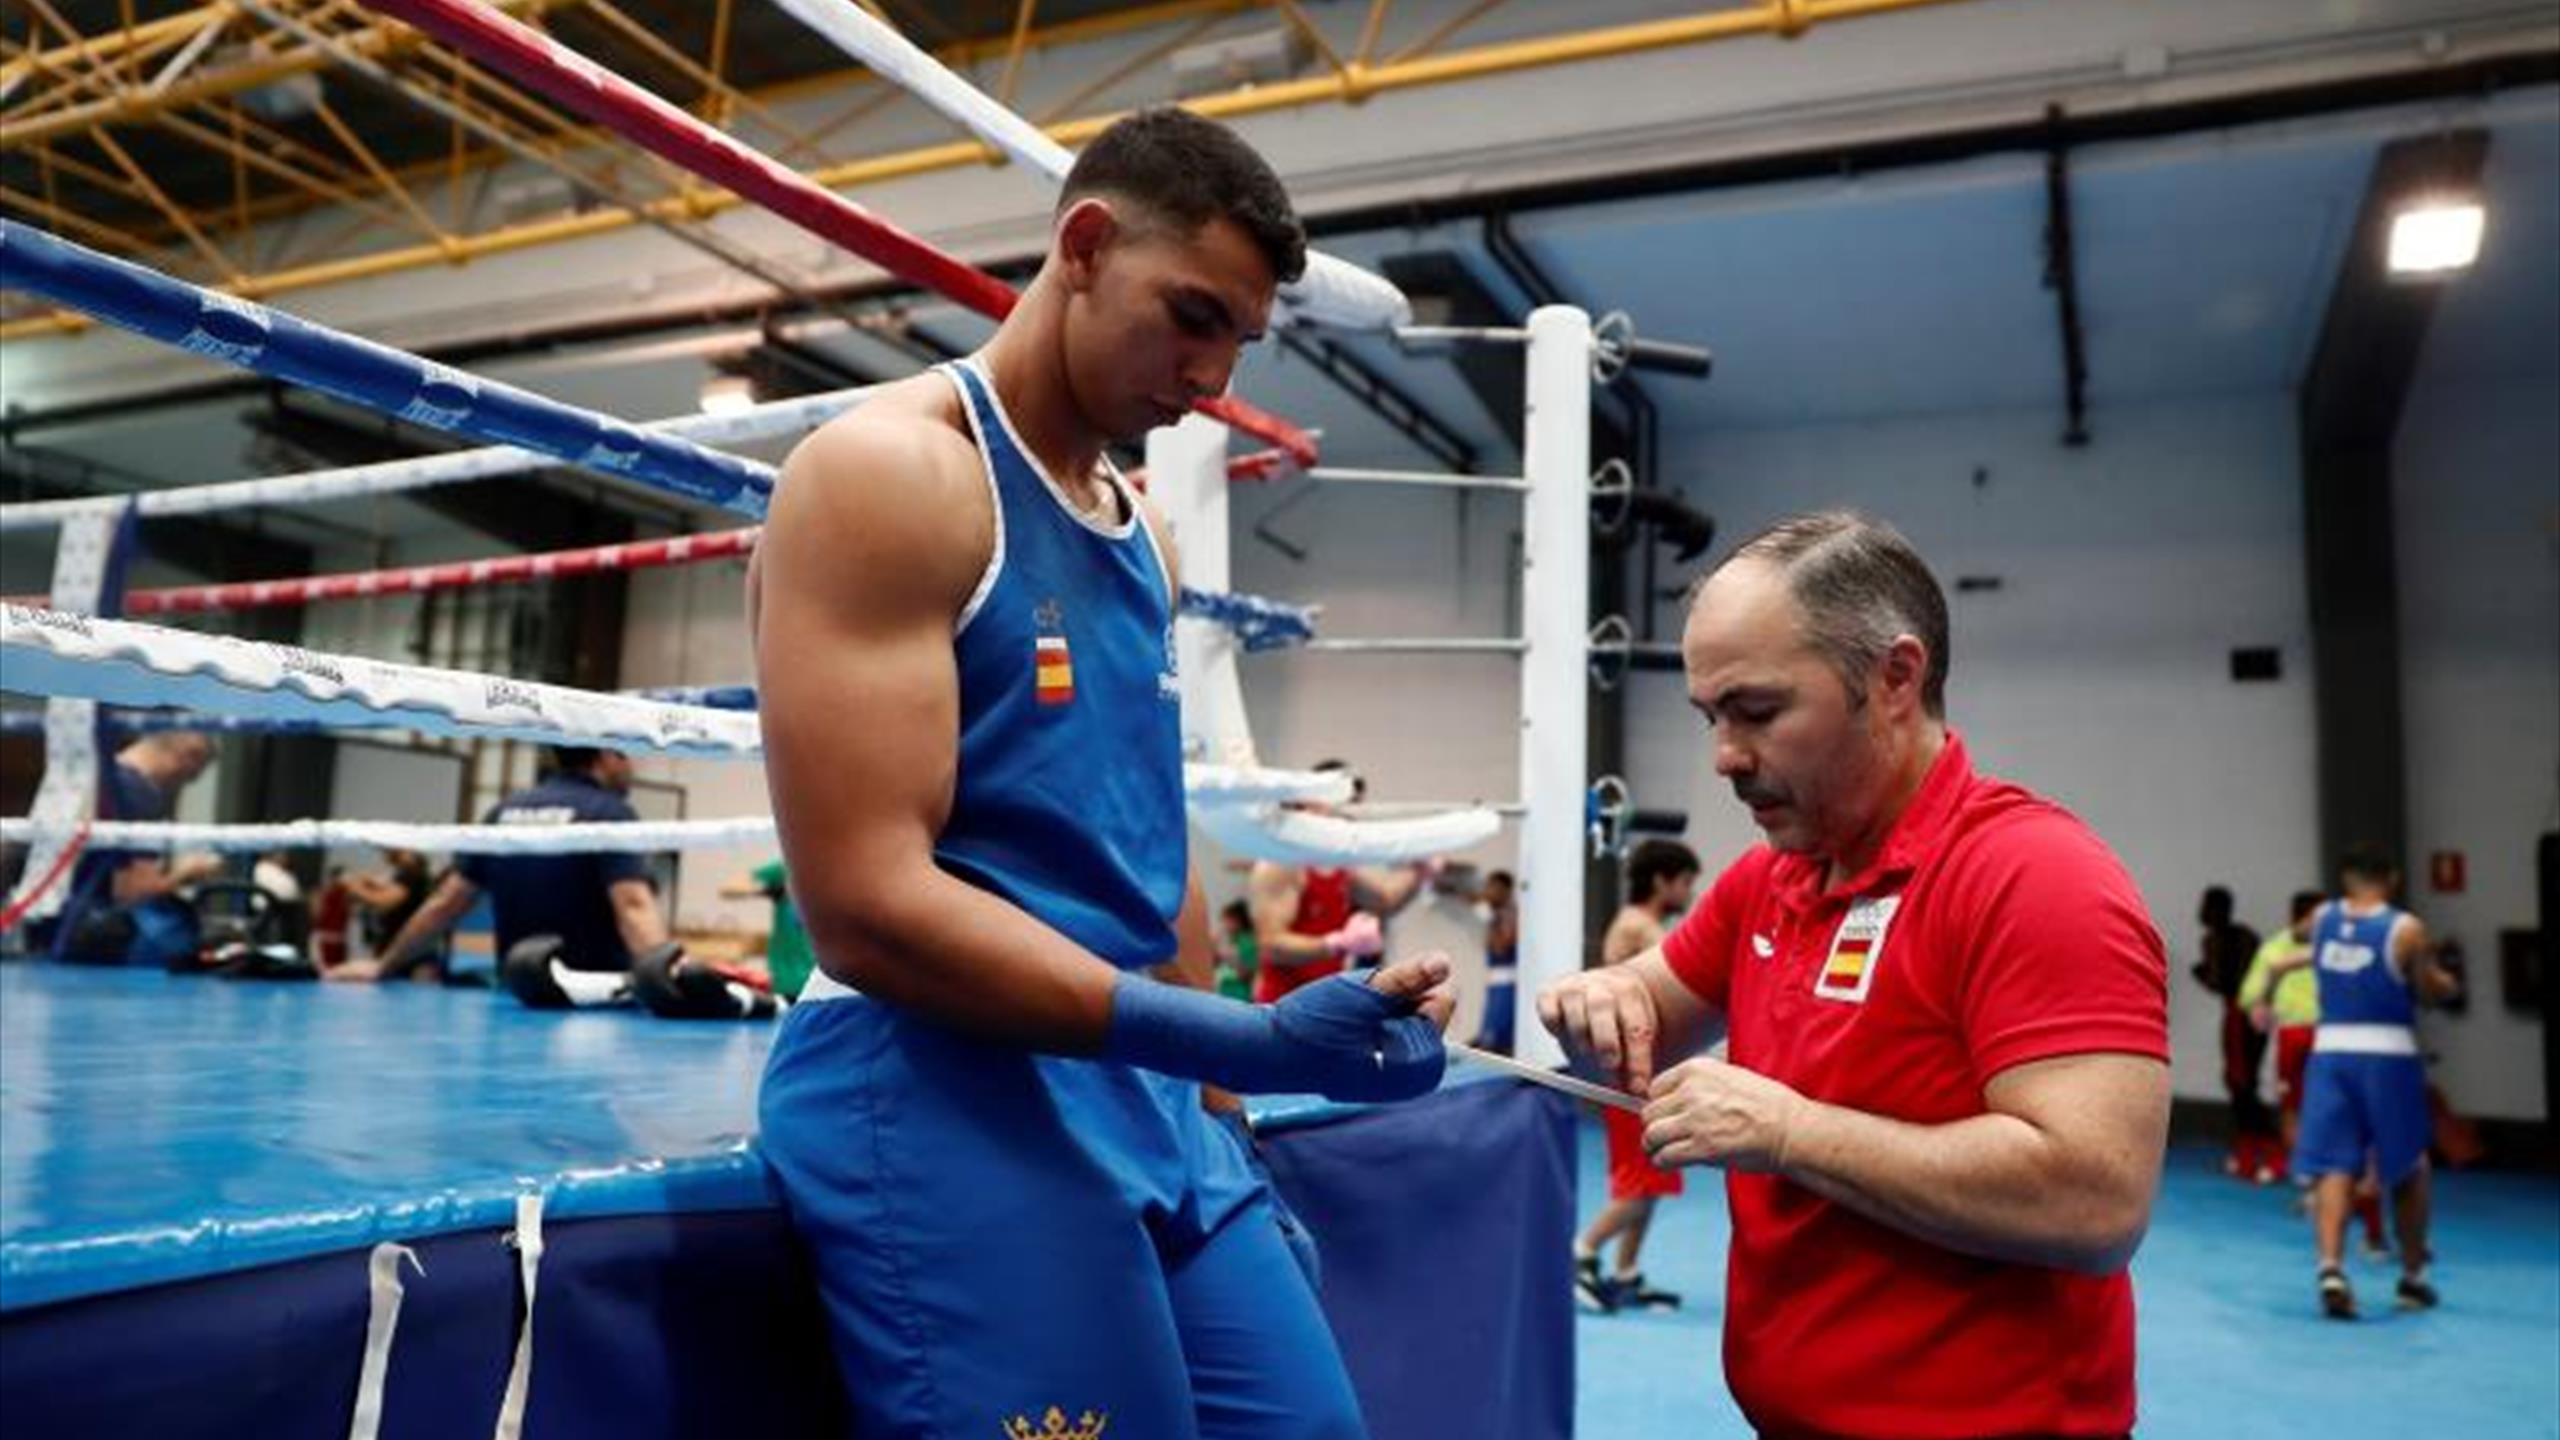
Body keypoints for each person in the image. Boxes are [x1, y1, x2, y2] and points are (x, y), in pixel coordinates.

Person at [749, 106, 1454, 1439]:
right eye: (1188, 316)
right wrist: (1234, 1036)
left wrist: (1225, 1100)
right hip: (938, 1080)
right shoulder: (893, 478)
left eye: (1235, 344)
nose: (1207, 376)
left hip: (1145, 1088)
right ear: (1081, 246)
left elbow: (1145, 831)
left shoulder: (1145, 536)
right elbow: (868, 903)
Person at [1537, 511, 2169, 1439]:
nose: (1724, 757)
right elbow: (1645, 1013)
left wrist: (1791, 1132)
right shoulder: (1776, 877)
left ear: (1896, 678)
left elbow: (2096, 1198)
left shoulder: (2035, 877)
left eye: (1757, 712)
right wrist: (1601, 998)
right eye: (1711, 717)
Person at [351, 747, 669, 1003]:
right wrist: (667, 976)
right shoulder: (610, 813)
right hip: (595, 1003)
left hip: (518, 999)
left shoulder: (502, 812)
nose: (632, 769)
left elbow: (445, 903)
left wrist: (383, 966)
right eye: (626, 756)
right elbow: (633, 906)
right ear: (606, 757)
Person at [2293, 848, 2461, 1320]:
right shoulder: (2405, 929)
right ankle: (2412, 1276)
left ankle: (2330, 1267)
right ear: (2393, 877)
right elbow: (2427, 990)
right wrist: (2446, 983)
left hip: (2330, 1054)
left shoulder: (2322, 917)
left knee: (2334, 1164)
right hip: (2387, 1056)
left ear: (2346, 877)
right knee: (2409, 1163)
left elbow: (2299, 935)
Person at [1573, 839, 1700, 1313]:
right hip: (1629, 1070)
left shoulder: (1651, 927)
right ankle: (1580, 1253)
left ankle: (1626, 1273)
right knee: (1641, 1181)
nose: (1690, 892)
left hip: (1652, 1064)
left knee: (1657, 1177)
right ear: (1661, 881)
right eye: (1685, 882)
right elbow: (1684, 980)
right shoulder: (1637, 926)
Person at [2241, 888, 2388, 1253]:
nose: (2318, 924)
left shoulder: (2349, 946)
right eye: (2312, 919)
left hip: (2344, 1039)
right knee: (2300, 1112)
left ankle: (2369, 1226)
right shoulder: (2280, 948)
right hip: (2297, 1035)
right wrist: (2261, 1001)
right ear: (2299, 919)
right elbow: (2260, 984)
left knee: (2357, 1124)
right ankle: (2314, 1189)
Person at [1246, 760, 1435, 1002]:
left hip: (1323, 1003)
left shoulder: (1337, 864)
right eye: (1347, 807)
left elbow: (1385, 901)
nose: (1352, 818)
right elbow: (1271, 945)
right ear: (1314, 803)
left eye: (1356, 807)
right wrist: (1336, 943)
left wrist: (1420, 871)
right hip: (1281, 1006)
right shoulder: (1282, 863)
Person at [49, 731, 221, 967]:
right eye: (189, 778)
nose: (179, 786)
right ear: (189, 757)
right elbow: (132, 891)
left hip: (58, 927)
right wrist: (189, 871)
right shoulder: (137, 792)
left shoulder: (95, 777)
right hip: (101, 938)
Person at [2193, 884, 2279, 1182]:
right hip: (2240, 1013)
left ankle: (2269, 1152)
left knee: (2243, 1083)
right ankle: (2248, 1150)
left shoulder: (2230, 939)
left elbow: (2226, 982)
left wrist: (2203, 973)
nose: (2201, 912)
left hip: (2244, 1014)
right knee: (2238, 1081)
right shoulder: (2234, 937)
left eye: (2207, 905)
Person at [721, 859, 814, 1000]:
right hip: (787, 980)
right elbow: (729, 889)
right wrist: (766, 890)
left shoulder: (834, 870)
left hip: (818, 979)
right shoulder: (785, 867)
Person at [342, 847, 438, 962]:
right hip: (403, 951)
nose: (383, 855)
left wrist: (354, 887)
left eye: (385, 850)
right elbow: (396, 893)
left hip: (402, 955)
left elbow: (385, 902)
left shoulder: (410, 871)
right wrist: (372, 885)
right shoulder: (413, 871)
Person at [1469, 869, 1520, 1053]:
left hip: (1507, 985)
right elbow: (1472, 898)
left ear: (1504, 889)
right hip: (1496, 984)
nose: (1488, 891)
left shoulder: (1510, 914)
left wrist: (1492, 920)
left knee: (1495, 1042)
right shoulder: (1499, 912)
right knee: (1486, 1039)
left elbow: (1500, 947)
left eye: (1492, 887)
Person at [1212, 898, 1259, 1001]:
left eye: (1227, 920)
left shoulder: (1247, 941)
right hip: (1224, 992)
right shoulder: (1229, 939)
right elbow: (1215, 965)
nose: (1224, 924)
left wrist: (1231, 957)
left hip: (1240, 995)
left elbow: (1250, 974)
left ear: (1238, 920)